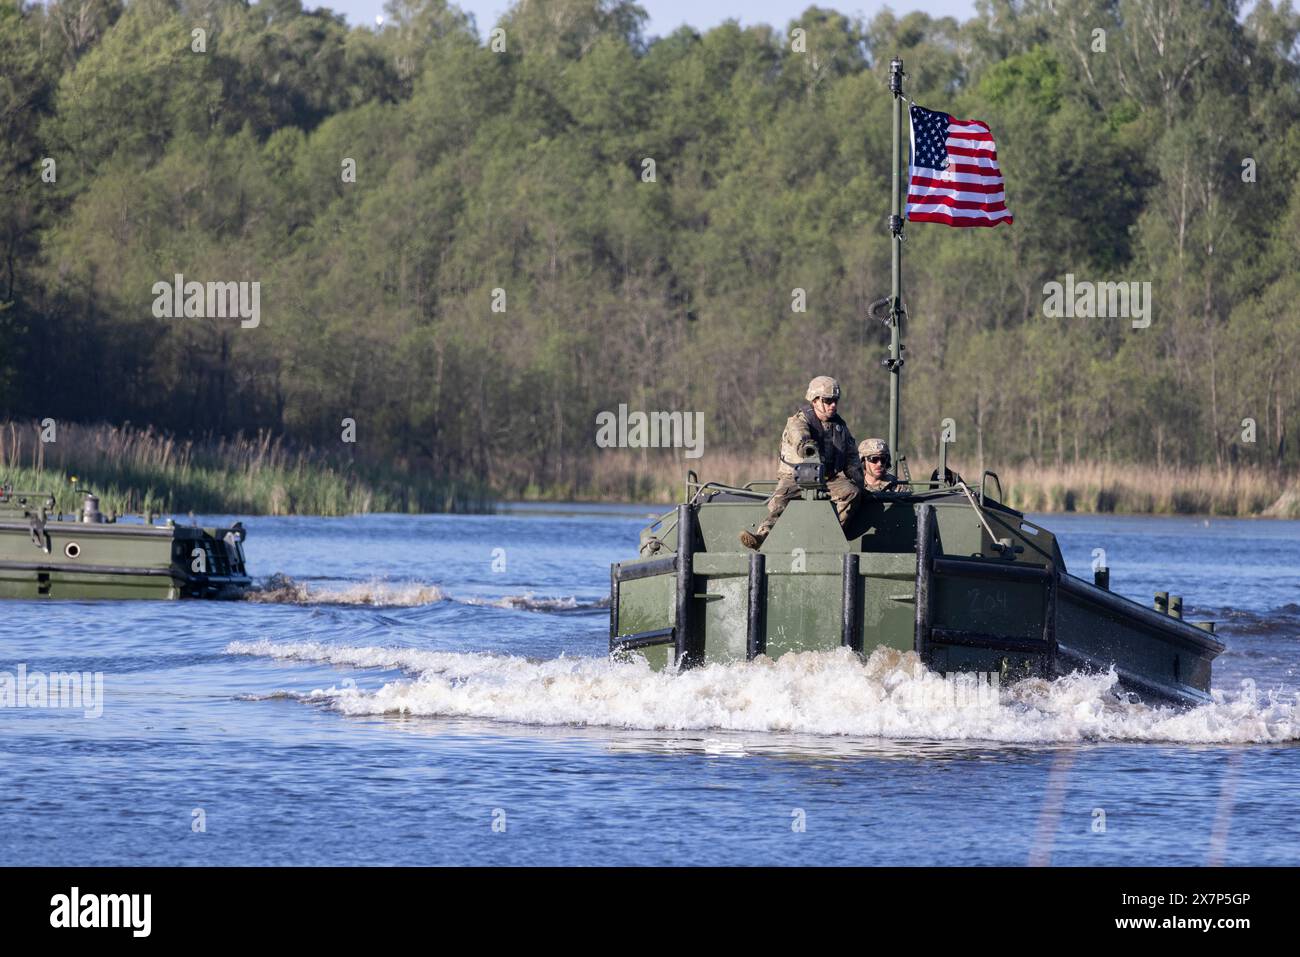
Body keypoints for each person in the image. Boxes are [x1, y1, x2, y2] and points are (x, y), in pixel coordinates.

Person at [740, 376, 862, 549]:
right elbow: (800, 436)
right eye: (827, 401)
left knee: (851, 492)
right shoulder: (799, 421)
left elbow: (852, 458)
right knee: (781, 499)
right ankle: (762, 536)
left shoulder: (840, 427)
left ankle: (830, 535)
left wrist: (859, 483)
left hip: (827, 478)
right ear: (814, 400)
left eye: (835, 400)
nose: (833, 405)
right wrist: (807, 446)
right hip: (796, 476)